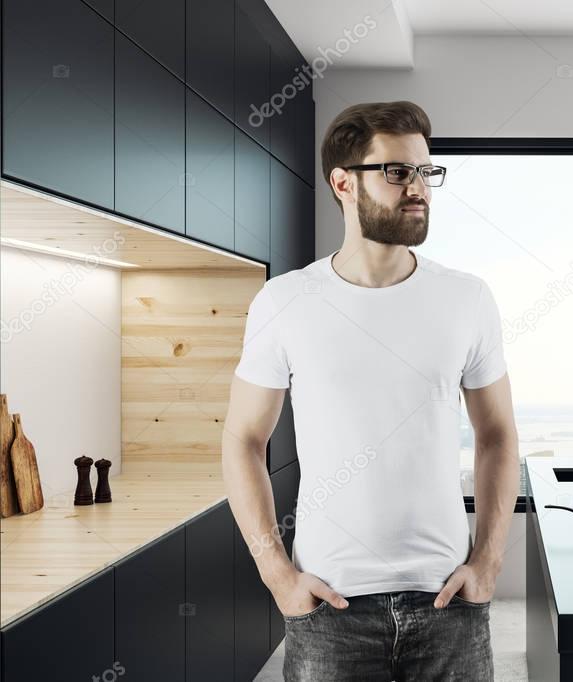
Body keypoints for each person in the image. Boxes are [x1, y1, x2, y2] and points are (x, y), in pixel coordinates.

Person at [222, 100, 520, 681]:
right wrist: (276, 574)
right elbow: (242, 439)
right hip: (329, 609)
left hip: (449, 603)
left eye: (425, 172)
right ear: (342, 183)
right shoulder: (284, 302)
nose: (419, 188)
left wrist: (488, 560)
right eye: (396, 171)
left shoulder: (467, 299)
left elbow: (498, 433)